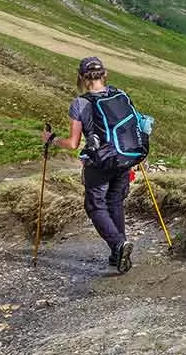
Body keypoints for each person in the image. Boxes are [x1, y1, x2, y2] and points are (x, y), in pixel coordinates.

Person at [42, 56, 134, 273]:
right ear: (105, 74)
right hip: (123, 158)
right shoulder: (120, 95)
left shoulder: (80, 103)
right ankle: (117, 253)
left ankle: (119, 245)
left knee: (94, 205)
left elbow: (73, 144)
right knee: (115, 202)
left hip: (99, 162)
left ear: (82, 77)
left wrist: (51, 140)